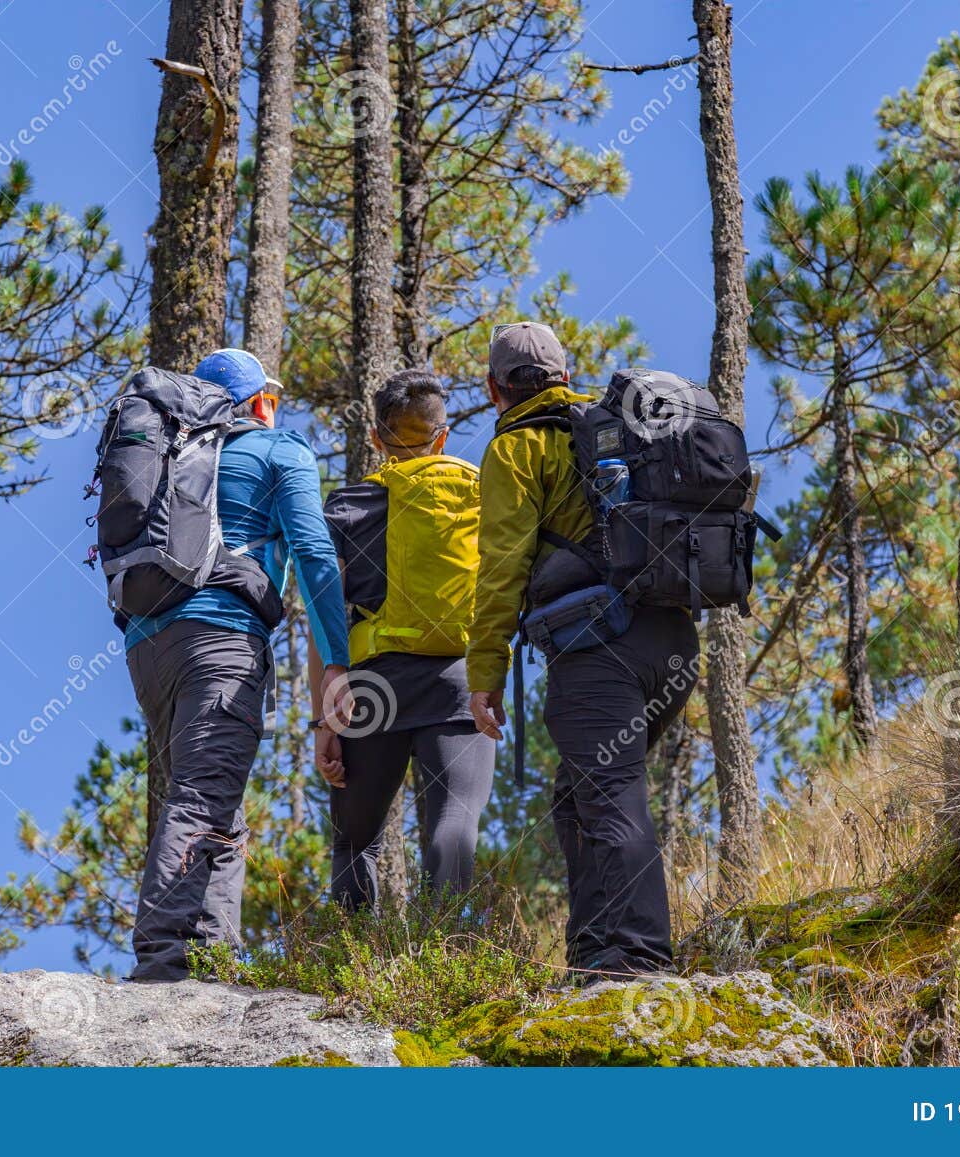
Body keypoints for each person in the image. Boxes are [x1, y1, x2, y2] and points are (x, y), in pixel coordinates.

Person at [465, 322, 698, 980]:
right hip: (673, 639)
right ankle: (595, 951)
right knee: (579, 798)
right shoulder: (619, 425)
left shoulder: (519, 448)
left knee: (609, 792)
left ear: (494, 389)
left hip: (603, 650)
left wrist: (485, 672)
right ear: (565, 375)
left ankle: (638, 960)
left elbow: (500, 568)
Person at [122, 348, 351, 981]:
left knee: (215, 796)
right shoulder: (278, 452)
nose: (276, 411)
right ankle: (165, 963)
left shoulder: (171, 456)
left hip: (148, 648)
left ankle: (212, 956)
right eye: (271, 400)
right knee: (202, 797)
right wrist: (337, 661)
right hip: (222, 641)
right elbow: (316, 557)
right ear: (257, 404)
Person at [313, 369, 495, 910]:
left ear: (375, 438)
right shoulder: (487, 496)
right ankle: (447, 957)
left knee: (353, 838)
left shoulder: (348, 506)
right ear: (442, 436)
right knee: (455, 818)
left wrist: (325, 718)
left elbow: (325, 617)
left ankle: (345, 963)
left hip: (372, 685)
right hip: (460, 678)